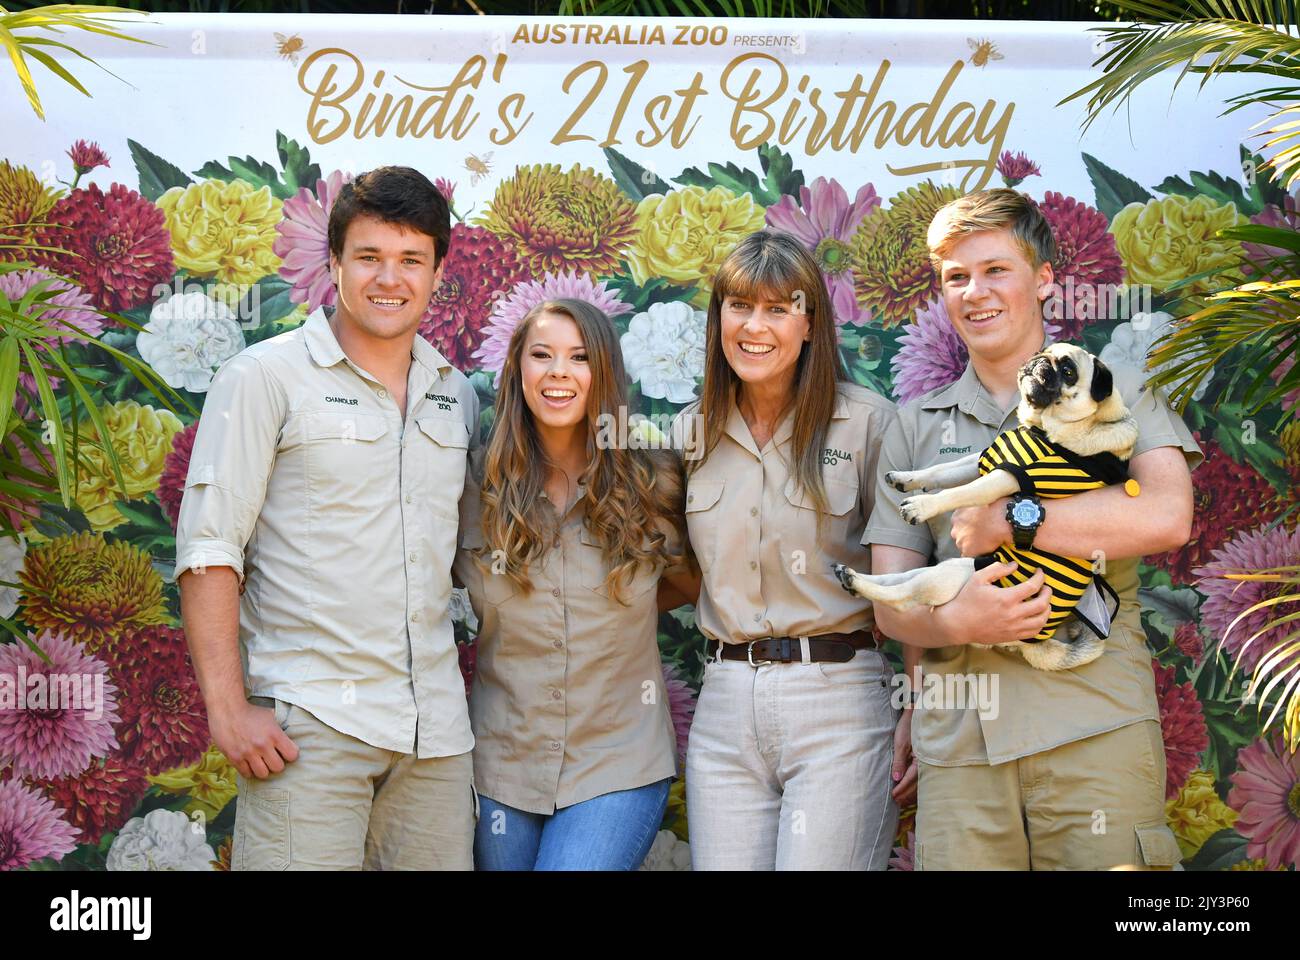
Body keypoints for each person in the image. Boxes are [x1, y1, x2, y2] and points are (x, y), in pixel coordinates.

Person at [865, 187, 1200, 870]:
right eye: (956, 277)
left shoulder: (1116, 388)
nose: (975, 293)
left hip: (1093, 729)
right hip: (962, 753)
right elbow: (891, 603)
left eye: (996, 270)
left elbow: (1167, 515)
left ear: (1045, 279)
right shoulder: (912, 426)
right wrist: (960, 623)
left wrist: (1016, 519)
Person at [176, 166, 479, 870]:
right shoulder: (263, 378)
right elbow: (209, 548)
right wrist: (228, 710)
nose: (389, 278)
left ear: (438, 271)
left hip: (434, 739)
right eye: (369, 256)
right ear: (335, 262)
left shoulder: (453, 395)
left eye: (411, 260)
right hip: (311, 731)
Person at [675, 230, 901, 870]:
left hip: (838, 698)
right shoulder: (689, 434)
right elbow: (679, 570)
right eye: (740, 305)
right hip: (723, 704)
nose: (755, 326)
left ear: (811, 325)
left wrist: (920, 697)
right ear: (718, 316)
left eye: (779, 309)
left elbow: (910, 571)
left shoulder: (867, 424)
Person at [455, 298, 692, 870]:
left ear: (603, 373)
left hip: (617, 760)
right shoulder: (474, 488)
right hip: (500, 767)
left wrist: (616, 612)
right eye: (542, 355)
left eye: (579, 357)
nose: (559, 371)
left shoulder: (652, 481)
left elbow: (689, 584)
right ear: (518, 374)